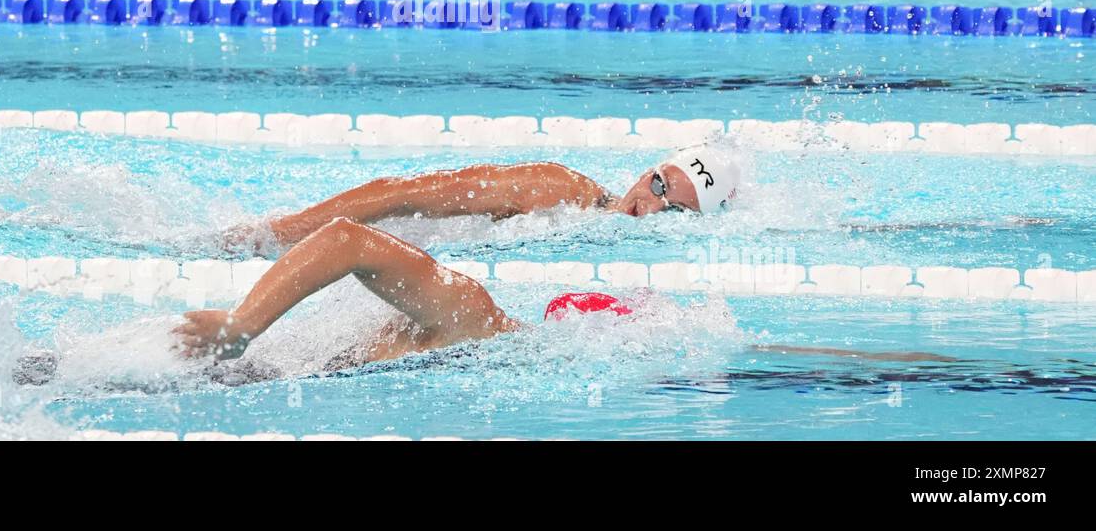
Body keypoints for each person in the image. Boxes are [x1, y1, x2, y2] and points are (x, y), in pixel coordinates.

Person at [177, 217, 955, 369]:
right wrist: (239, 331)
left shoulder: (481, 328)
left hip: (220, 370)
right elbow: (347, 236)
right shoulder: (477, 319)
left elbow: (346, 240)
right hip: (226, 366)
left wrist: (243, 331)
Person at [222, 144, 742, 252]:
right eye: (658, 185)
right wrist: (284, 232)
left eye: (672, 209)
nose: (648, 206)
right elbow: (402, 195)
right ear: (647, 168)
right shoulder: (558, 190)